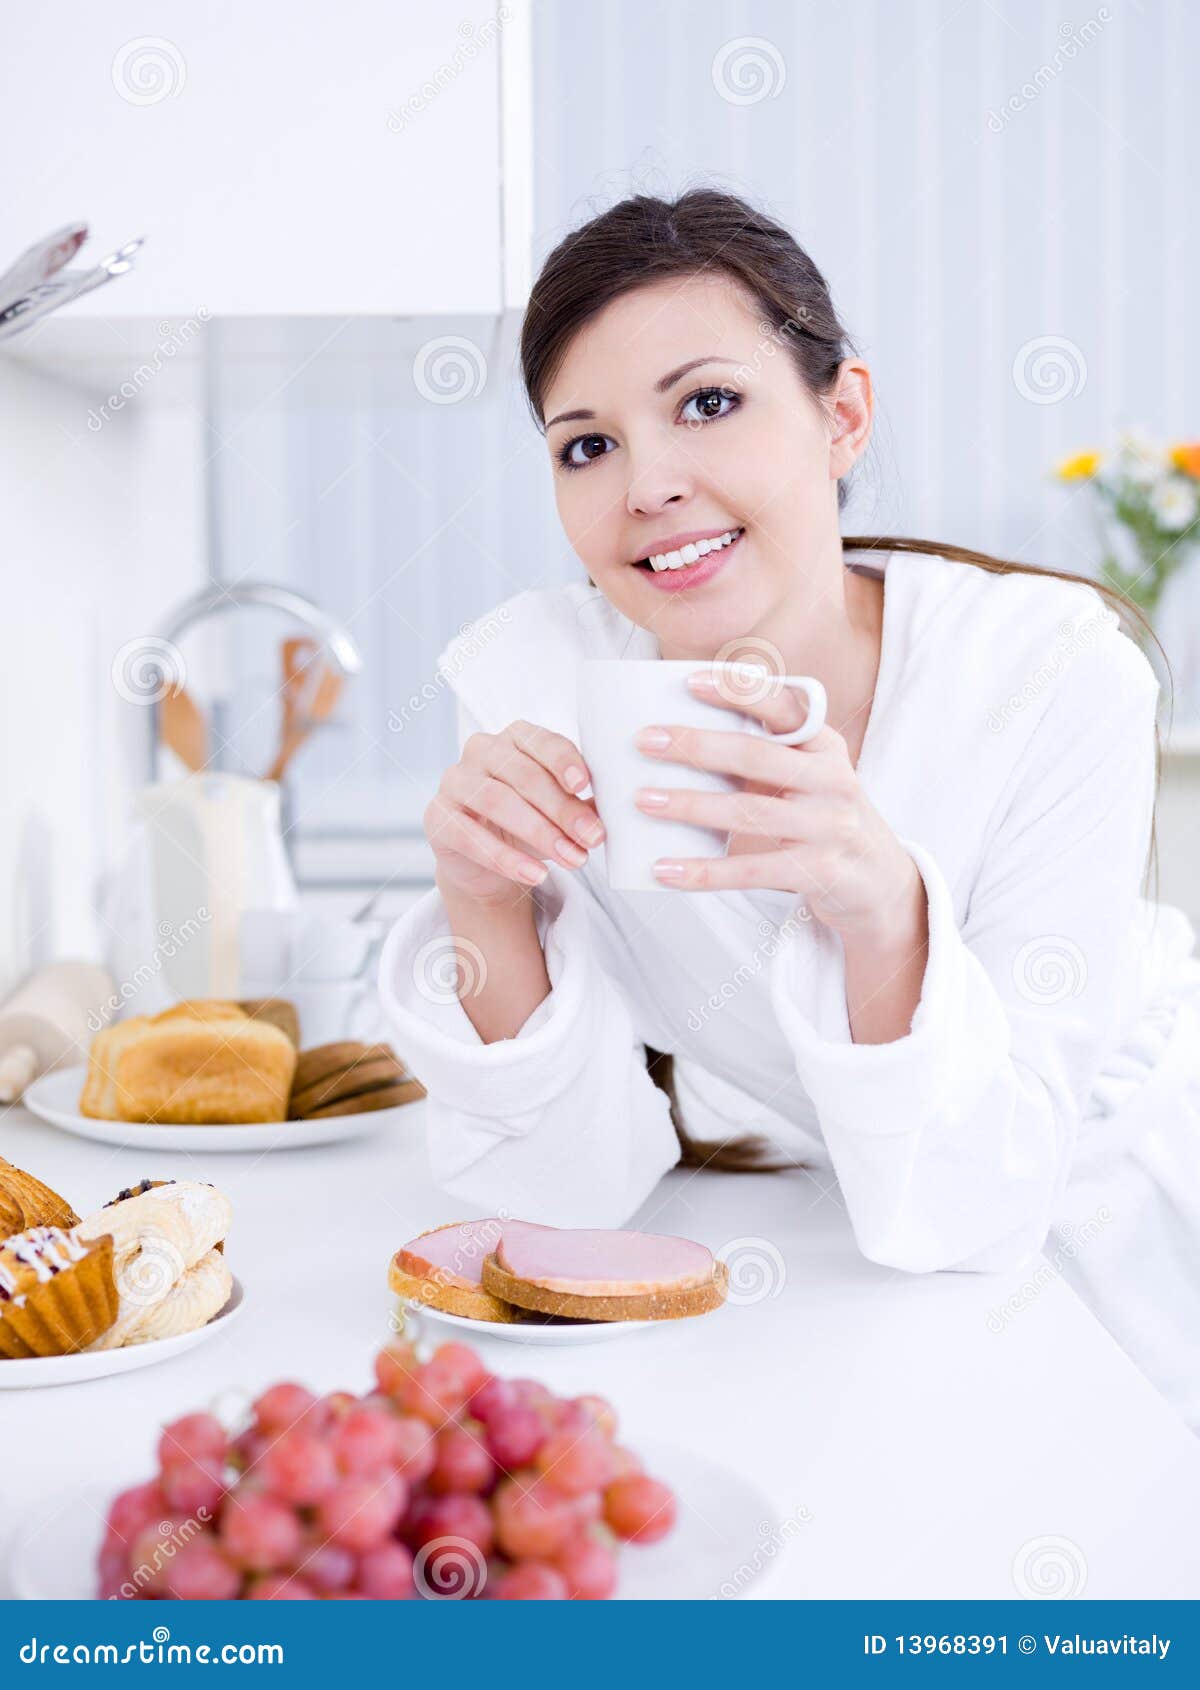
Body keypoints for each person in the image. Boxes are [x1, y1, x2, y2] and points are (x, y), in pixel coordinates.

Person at [379, 189, 1200, 1433]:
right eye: (584, 444)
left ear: (842, 414)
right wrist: (484, 903)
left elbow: (982, 1204)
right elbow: (559, 1199)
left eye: (708, 404)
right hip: (836, 1232)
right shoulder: (535, 685)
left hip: (1102, 1185)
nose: (647, 485)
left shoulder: (1050, 670)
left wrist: (883, 911)